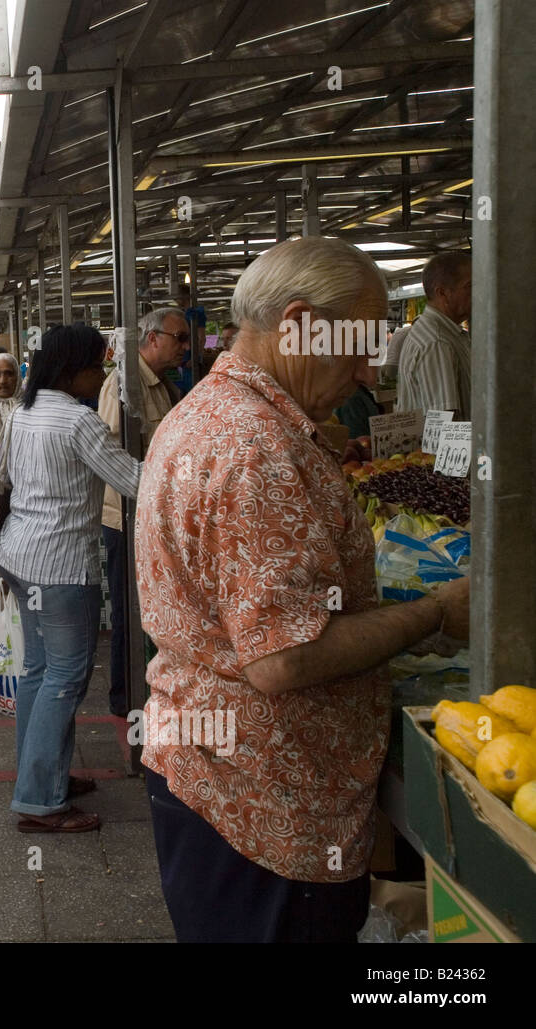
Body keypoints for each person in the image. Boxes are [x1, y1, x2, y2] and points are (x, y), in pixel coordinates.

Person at [136, 236, 471, 943]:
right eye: (360, 342)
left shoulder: (212, 413)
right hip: (265, 809)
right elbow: (285, 658)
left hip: (221, 779)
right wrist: (436, 612)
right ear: (297, 324)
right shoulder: (257, 447)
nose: (369, 365)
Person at [0, 324, 143, 834]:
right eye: (97, 365)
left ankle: (41, 775)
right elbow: (134, 481)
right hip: (60, 567)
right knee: (66, 677)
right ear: (71, 368)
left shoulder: (24, 413)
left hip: (17, 554)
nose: (101, 375)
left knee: (39, 671)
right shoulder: (80, 421)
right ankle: (38, 801)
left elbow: (2, 479)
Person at [97, 306, 187, 717]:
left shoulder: (163, 384)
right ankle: (124, 697)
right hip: (127, 517)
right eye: (179, 338)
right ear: (152, 339)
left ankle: (149, 685)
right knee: (128, 607)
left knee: (152, 604)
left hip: (157, 513)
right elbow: (110, 452)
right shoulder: (122, 384)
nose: (186, 347)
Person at [395, 251, 472, 418]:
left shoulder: (446, 334)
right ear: (442, 293)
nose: (477, 293)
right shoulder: (437, 342)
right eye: (469, 287)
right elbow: (443, 422)